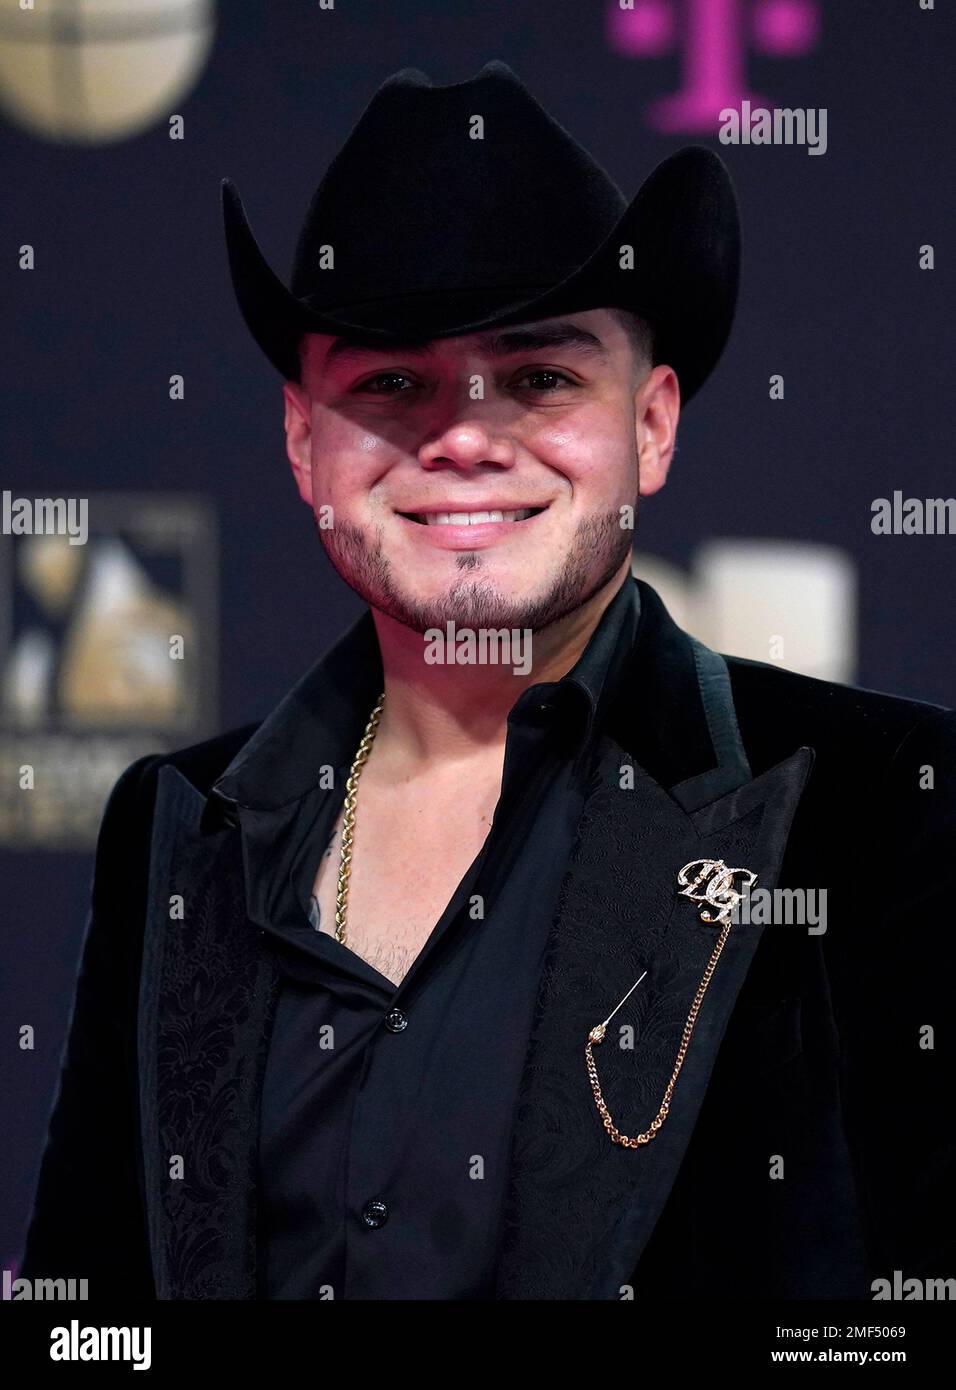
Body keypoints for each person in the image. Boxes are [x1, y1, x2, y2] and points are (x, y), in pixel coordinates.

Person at [20, 60, 955, 1301]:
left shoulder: (881, 802)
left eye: (538, 376)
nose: (462, 435)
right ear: (305, 442)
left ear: (653, 426)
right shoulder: (176, 825)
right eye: (391, 382)